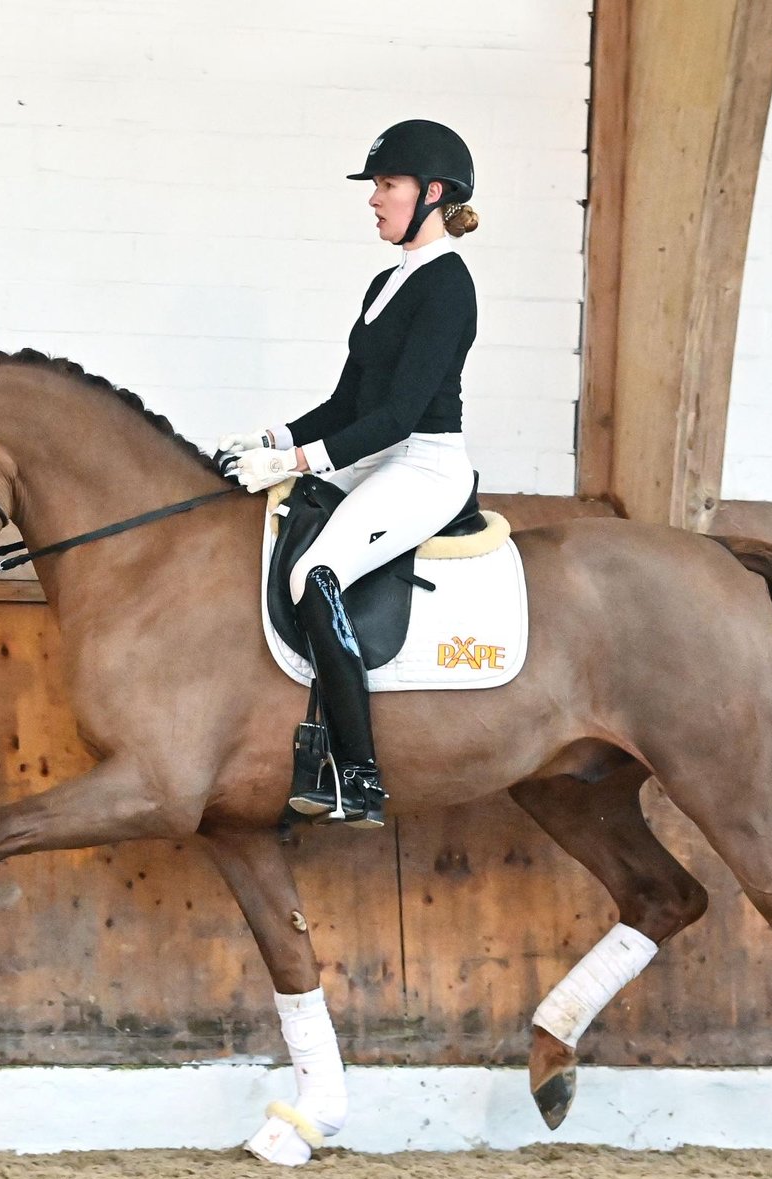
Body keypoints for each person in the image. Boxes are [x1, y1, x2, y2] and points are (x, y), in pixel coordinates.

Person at [221, 119, 481, 829]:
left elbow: (398, 413)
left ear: (432, 193)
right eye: (375, 186)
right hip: (373, 456)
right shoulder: (386, 280)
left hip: (423, 464)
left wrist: (302, 459)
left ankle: (356, 774)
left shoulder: (449, 287)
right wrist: (271, 437)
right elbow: (346, 404)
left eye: (387, 185)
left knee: (317, 574)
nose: (374, 199)